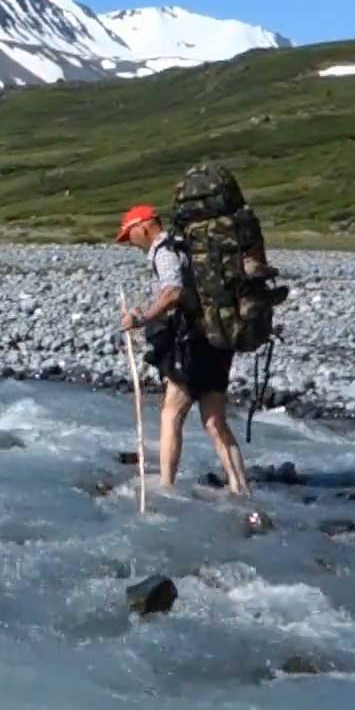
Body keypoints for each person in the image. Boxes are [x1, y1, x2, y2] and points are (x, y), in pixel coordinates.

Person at [114, 203, 251, 496]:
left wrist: (143, 318)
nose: (130, 242)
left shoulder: (164, 251)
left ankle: (167, 486)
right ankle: (240, 487)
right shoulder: (187, 246)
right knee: (214, 421)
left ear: (144, 226)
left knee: (171, 413)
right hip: (219, 335)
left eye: (129, 235)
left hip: (194, 342)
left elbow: (173, 291)